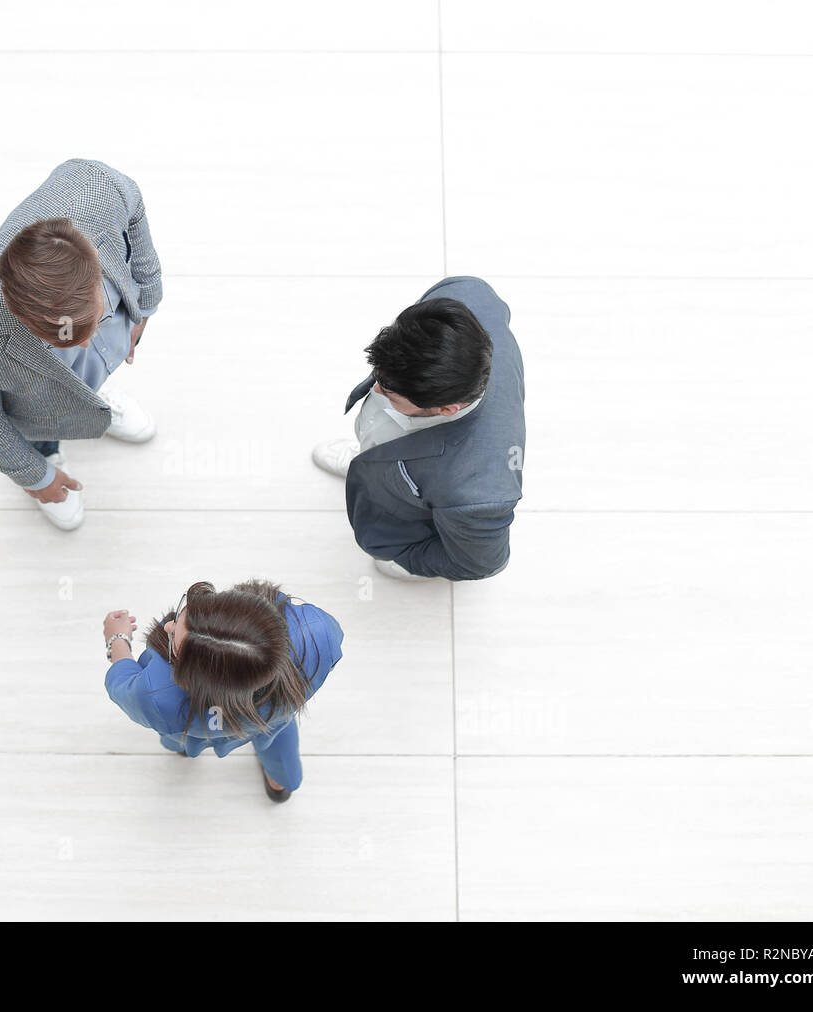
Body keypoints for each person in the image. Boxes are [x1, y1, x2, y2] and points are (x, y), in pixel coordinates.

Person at [0, 159, 162, 531]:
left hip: (79, 361)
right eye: (68, 337)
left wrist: (144, 306)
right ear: (19, 314)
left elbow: (134, 208)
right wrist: (37, 476)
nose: (85, 344)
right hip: (35, 402)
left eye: (95, 320)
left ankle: (93, 400)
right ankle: (50, 448)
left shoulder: (97, 187)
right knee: (41, 420)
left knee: (85, 375)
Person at [312, 276, 525, 581]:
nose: (376, 389)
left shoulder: (477, 495)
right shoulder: (464, 295)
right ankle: (371, 460)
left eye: (390, 393)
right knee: (374, 453)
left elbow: (480, 563)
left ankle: (384, 471)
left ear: (447, 408)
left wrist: (409, 556)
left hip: (418, 509)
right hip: (394, 453)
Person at [103, 580, 343, 802]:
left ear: (196, 678)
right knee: (279, 740)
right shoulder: (317, 632)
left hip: (192, 726)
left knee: (179, 736)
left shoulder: (158, 697)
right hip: (274, 717)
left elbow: (121, 683)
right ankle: (281, 781)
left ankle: (183, 750)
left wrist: (117, 638)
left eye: (174, 640)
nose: (168, 625)